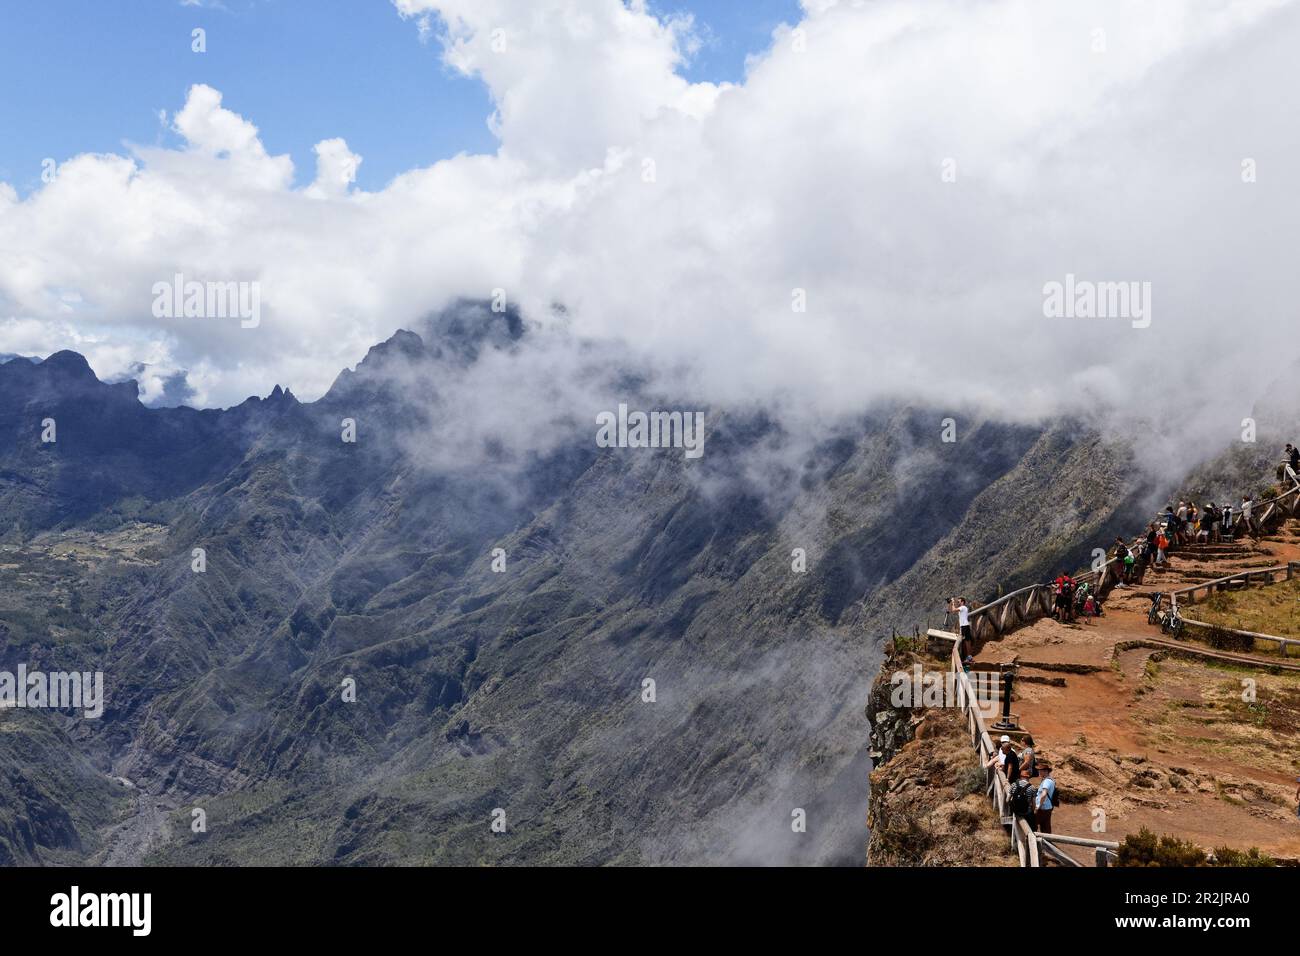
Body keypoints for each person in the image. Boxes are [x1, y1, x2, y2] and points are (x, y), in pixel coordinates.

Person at [1035, 765, 1057, 834]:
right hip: (1048, 807)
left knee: (1033, 824)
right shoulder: (1050, 780)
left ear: (1046, 771)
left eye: (1040, 770)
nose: (1039, 772)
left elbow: (1044, 794)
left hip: (1043, 808)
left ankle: (1032, 842)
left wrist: (1038, 806)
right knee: (1045, 827)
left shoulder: (1046, 781)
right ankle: (1047, 842)